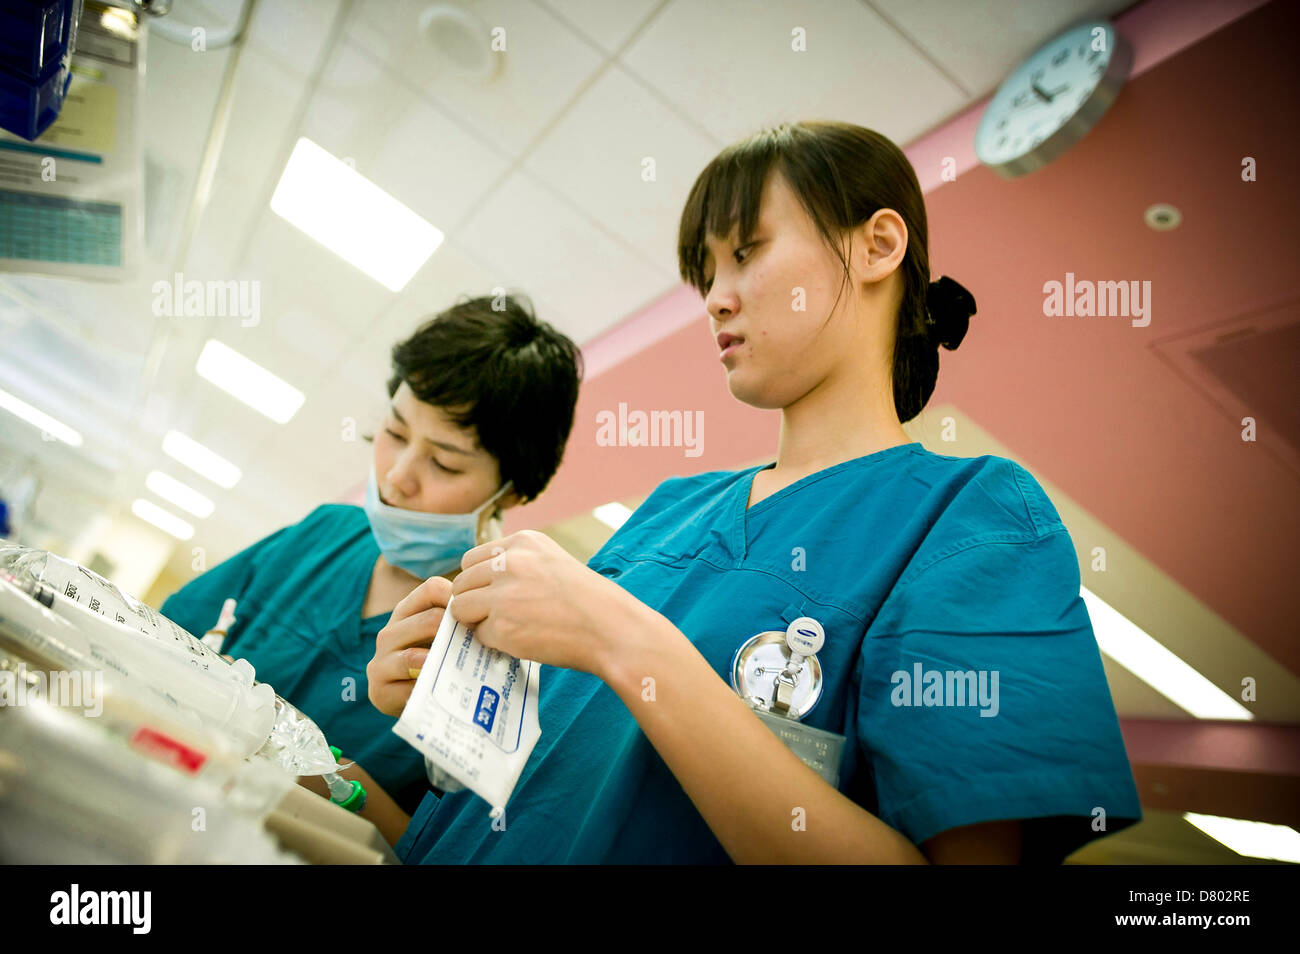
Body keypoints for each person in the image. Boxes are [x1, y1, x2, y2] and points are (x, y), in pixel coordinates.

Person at [369, 121, 1142, 863]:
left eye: (745, 254)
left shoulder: (970, 518)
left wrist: (622, 638)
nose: (715, 297)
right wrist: (446, 705)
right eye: (707, 274)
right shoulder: (673, 507)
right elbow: (557, 775)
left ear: (878, 246)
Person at [160, 294, 581, 832]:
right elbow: (165, 636)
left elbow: (444, 845)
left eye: (444, 463)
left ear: (511, 490)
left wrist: (317, 772)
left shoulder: (502, 653)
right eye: (396, 432)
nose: (398, 475)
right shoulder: (323, 534)